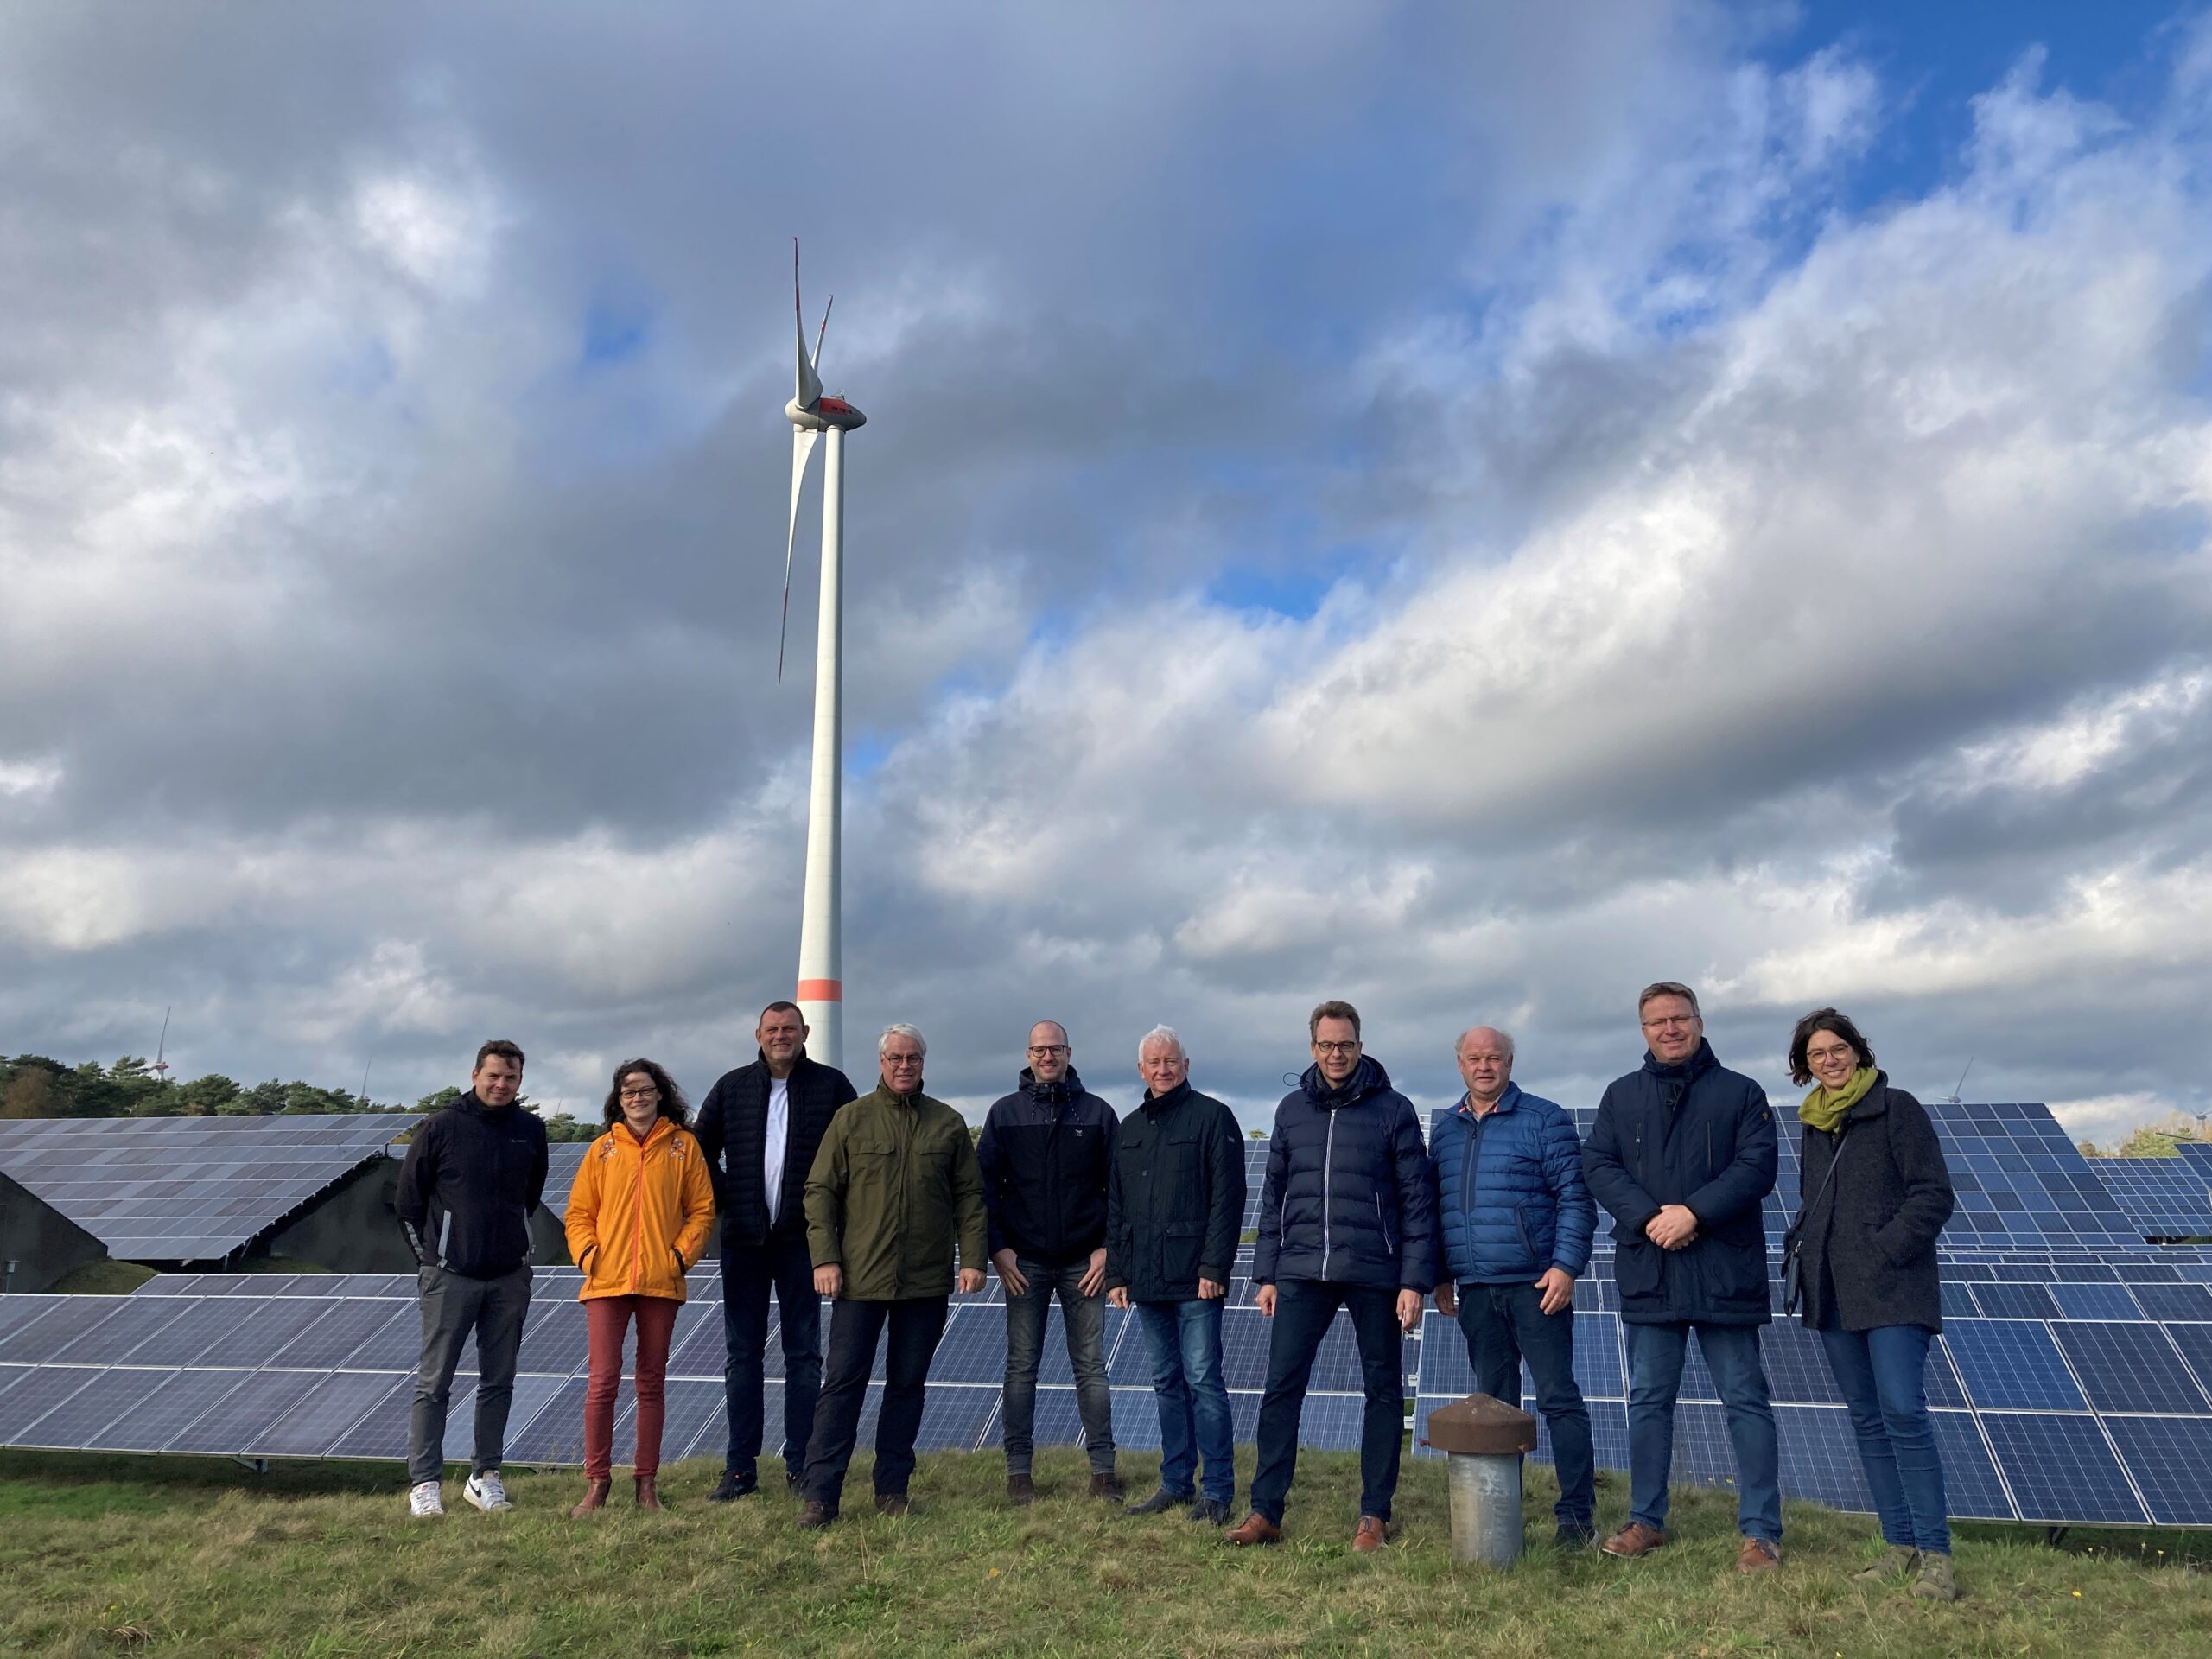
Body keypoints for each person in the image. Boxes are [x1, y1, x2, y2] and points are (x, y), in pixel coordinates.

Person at [1583, 982, 1782, 1572]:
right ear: (1642, 1031)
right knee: (1648, 1400)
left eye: (1679, 1018)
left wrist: (1694, 1212)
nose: (1669, 1029)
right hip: (1653, 1269)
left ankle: (1761, 1532)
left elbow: (1757, 1167)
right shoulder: (1621, 1097)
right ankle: (1647, 1520)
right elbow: (1598, 1163)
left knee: (1745, 1400)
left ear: (1698, 1021)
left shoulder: (1742, 1093)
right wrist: (1651, 1218)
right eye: (1657, 1022)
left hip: (1725, 1270)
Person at [1228, 1001, 1436, 1551]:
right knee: (1281, 1390)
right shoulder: (1291, 1110)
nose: (1336, 1054)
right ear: (1313, 1048)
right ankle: (1265, 1512)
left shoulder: (1394, 1110)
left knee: (1383, 1393)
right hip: (1299, 1271)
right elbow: (1273, 1197)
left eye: (1345, 1044)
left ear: (1360, 1046)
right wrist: (1265, 1273)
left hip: (1375, 1270)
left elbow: (1417, 1202)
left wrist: (1414, 1280)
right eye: (1326, 1045)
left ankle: (1374, 1515)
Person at [1787, 1007, 1959, 1600]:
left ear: (1858, 1051)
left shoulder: (1897, 1109)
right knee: (1867, 1421)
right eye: (1816, 1055)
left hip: (1894, 1289)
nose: (1828, 1061)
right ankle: (1899, 1545)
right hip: (1832, 1293)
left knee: (1903, 1413)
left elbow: (1934, 1194)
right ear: (1803, 1067)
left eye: (1837, 1049)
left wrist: (1886, 1249)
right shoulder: (1813, 1123)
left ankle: (1937, 1557)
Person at [797, 1024, 988, 1525]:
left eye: (914, 1059)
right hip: (858, 1280)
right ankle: (821, 1495)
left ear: (924, 1063)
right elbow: (819, 1192)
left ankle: (892, 1488)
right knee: (842, 1385)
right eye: (896, 1058)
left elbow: (970, 1198)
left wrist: (972, 1258)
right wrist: (825, 1258)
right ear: (881, 1062)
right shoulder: (851, 1120)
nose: (905, 1066)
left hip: (925, 1281)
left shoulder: (947, 1124)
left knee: (907, 1385)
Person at [1429, 1026, 1599, 1548]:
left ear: (1510, 1062)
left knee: (1557, 1398)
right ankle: (1499, 1514)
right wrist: (1438, 1273)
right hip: (1476, 1288)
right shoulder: (1446, 1129)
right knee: (1495, 1407)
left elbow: (1576, 1197)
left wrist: (1566, 1266)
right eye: (1474, 1059)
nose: (1485, 1067)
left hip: (1535, 1284)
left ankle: (1575, 1518)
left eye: (1495, 1058)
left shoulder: (1543, 1118)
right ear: (1459, 1063)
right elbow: (1434, 1206)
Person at [692, 1001, 858, 1501]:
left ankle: (801, 1464)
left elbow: (854, 1154)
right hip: (743, 1240)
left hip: (803, 1241)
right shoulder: (731, 1086)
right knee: (742, 1356)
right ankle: (740, 1469)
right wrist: (731, 1195)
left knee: (804, 1356)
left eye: (789, 1028)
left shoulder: (832, 1087)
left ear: (805, 1032)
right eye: (772, 1029)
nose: (780, 1036)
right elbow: (699, 1148)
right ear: (757, 1034)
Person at [394, 1039, 549, 1518]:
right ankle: (424, 1484)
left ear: (520, 1081)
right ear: (475, 1074)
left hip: (508, 1278)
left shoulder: (531, 1130)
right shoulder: (441, 1127)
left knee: (498, 1380)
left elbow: (531, 1197)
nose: (501, 1085)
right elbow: (407, 1203)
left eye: (511, 1078)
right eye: (494, 1076)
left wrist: (518, 1252)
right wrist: (432, 1261)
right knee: (434, 1383)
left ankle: (485, 1477)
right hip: (449, 1278)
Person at [561, 1058, 715, 1516]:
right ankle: (597, 1482)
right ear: (618, 1098)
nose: (637, 1097)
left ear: (660, 1093)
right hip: (606, 1281)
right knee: (602, 1382)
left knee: (651, 1384)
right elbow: (578, 1214)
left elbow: (702, 1211)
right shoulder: (602, 1150)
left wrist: (678, 1257)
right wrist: (589, 1254)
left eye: (645, 1089)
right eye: (628, 1091)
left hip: (660, 1281)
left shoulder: (684, 1147)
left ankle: (646, 1484)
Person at [1105, 1025, 1246, 1525]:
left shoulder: (1213, 1118)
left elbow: (1228, 1202)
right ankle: (1175, 1483)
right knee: (1166, 1381)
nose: (1162, 1071)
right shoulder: (1131, 1127)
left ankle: (1218, 1491)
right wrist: (1118, 1274)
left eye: (1171, 1062)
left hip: (1195, 1279)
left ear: (1186, 1066)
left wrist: (1214, 1267)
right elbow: (1117, 1208)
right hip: (1145, 1279)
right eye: (1153, 1063)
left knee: (1204, 1380)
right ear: (1141, 1070)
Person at [977, 1020, 1122, 1504]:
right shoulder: (1004, 1114)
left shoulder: (1099, 1113)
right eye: (1039, 1050)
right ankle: (1019, 1473)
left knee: (1091, 1368)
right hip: (1025, 1263)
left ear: (1068, 1052)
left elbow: (1120, 1190)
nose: (1046, 1057)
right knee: (1021, 1367)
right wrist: (997, 1248)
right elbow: (984, 1191)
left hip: (1086, 1262)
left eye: (1054, 1049)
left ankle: (1104, 1472)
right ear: (1028, 1054)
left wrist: (1107, 1247)